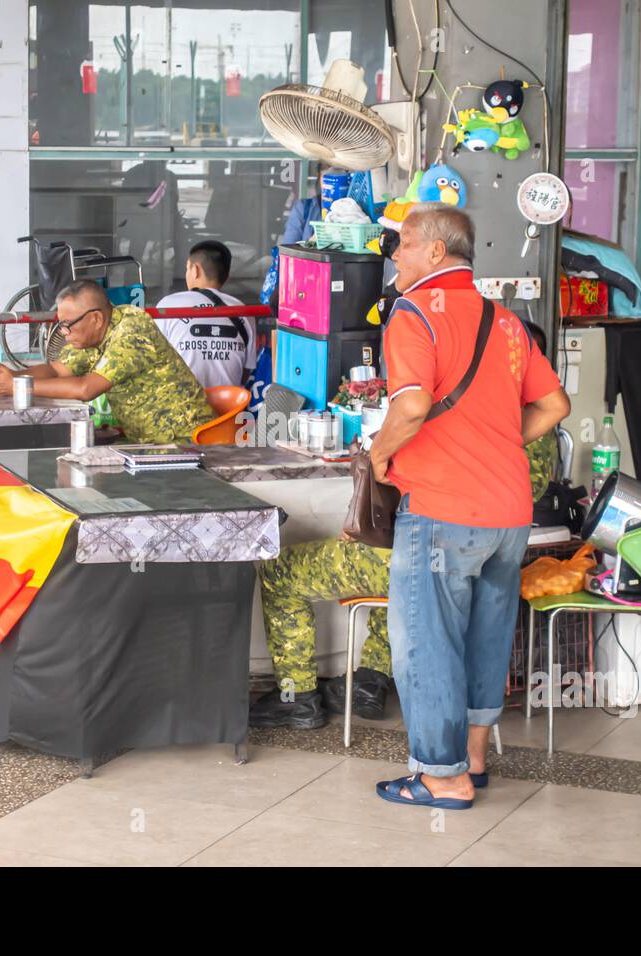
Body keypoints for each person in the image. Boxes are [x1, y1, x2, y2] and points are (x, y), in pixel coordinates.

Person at [368, 204, 570, 809]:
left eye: (403, 243)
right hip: (509, 514)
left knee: (427, 641)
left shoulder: (410, 315)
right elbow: (555, 404)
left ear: (435, 251)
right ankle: (475, 759)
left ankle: (441, 777)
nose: (395, 254)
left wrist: (380, 456)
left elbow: (409, 407)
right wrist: (501, 443)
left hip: (440, 512)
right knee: (487, 637)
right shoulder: (503, 320)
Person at [250, 427, 559, 731]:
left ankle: (297, 696)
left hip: (423, 549)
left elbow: (402, 468)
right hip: (483, 562)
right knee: (405, 580)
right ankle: (368, 681)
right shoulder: (537, 427)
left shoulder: (450, 405)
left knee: (280, 571)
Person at [0, 280, 213, 444]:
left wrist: (14, 387)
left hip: (184, 442)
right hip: (146, 442)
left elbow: (85, 389)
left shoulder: (131, 328)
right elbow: (57, 370)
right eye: (60, 324)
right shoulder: (91, 333)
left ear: (96, 319)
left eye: (67, 325)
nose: (63, 332)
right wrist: (12, 377)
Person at [154, 240, 256, 389]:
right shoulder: (244, 312)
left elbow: (153, 359)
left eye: (187, 269)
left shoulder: (167, 306)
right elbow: (246, 371)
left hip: (181, 407)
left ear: (195, 270)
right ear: (227, 277)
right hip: (230, 407)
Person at [280, 163, 323, 245]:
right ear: (319, 176)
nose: (333, 183)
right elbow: (289, 250)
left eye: (339, 176)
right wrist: (311, 243)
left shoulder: (351, 209)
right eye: (327, 177)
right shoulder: (303, 207)